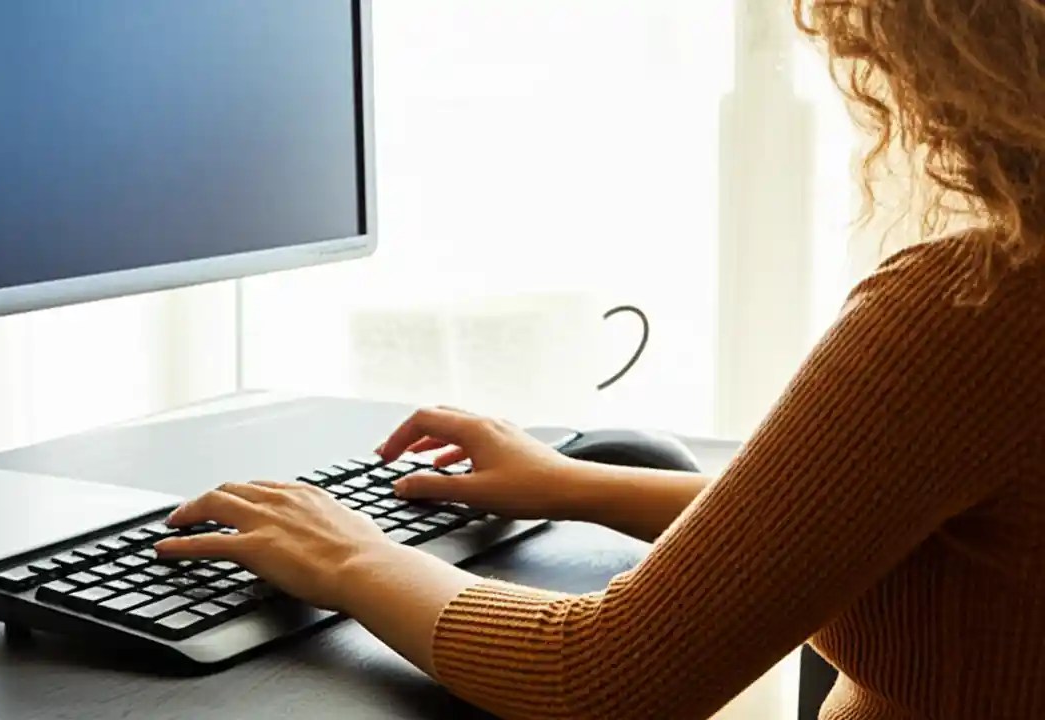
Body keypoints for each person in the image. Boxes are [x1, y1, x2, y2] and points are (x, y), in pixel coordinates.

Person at [155, 1, 1045, 718]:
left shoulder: (974, 305)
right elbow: (872, 530)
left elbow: (600, 681)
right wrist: (575, 484)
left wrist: (351, 554)